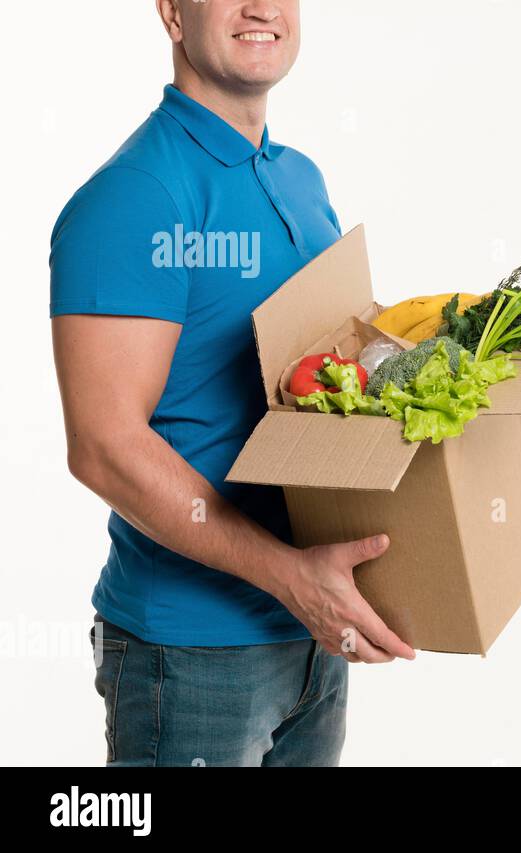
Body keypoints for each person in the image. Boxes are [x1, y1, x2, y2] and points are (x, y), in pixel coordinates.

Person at [49, 0, 415, 767]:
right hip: (191, 656)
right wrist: (290, 578)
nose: (261, 7)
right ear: (171, 13)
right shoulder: (137, 196)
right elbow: (103, 446)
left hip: (314, 636)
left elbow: (322, 384)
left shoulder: (299, 178)